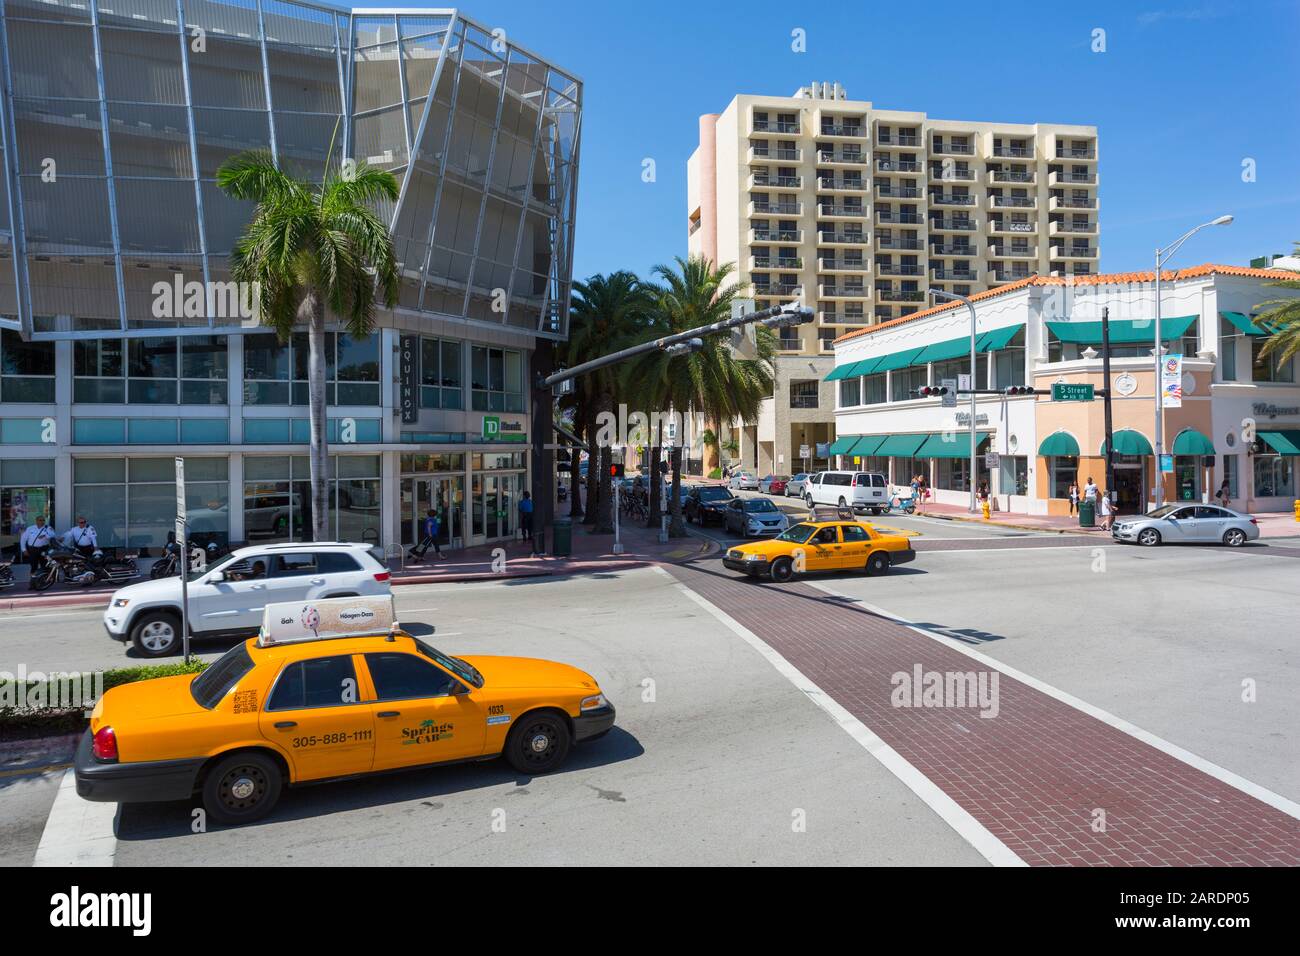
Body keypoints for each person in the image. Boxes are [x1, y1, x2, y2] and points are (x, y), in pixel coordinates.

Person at [19, 515, 56, 589]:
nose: (42, 522)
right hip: (32, 550)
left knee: (44, 566)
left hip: (44, 549)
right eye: (40, 520)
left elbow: (53, 535)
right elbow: (23, 539)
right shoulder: (30, 528)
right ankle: (32, 583)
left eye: (43, 520)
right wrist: (24, 550)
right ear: (36, 521)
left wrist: (45, 535)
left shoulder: (48, 528)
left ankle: (42, 581)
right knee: (33, 567)